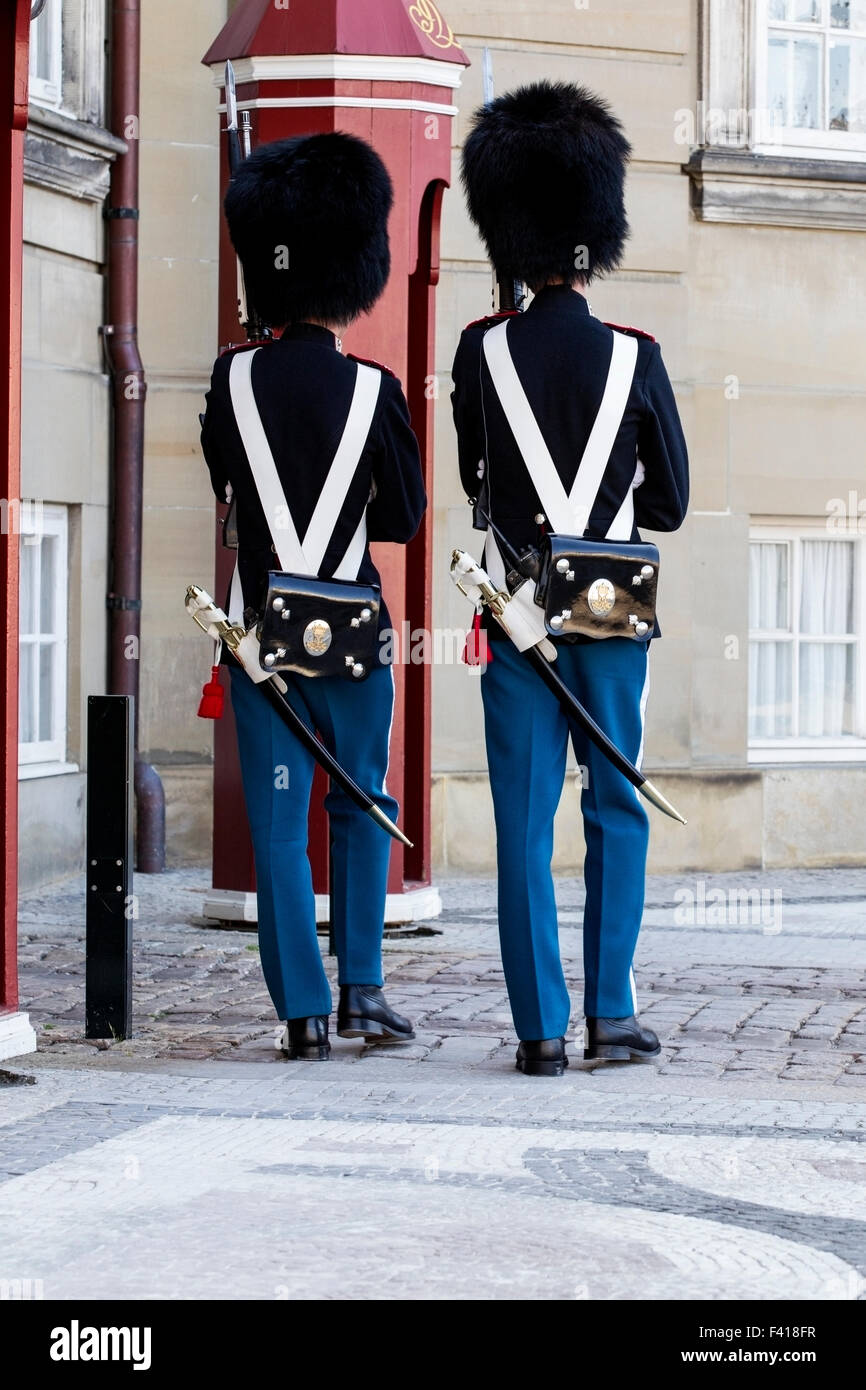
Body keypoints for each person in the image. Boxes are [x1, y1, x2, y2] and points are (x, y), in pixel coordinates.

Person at [452, 82, 689, 1077]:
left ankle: (538, 1030)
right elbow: (670, 500)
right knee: (615, 805)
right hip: (609, 608)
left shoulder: (477, 350)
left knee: (520, 818)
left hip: (512, 610)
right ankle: (612, 1013)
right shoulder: (635, 355)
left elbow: (472, 478)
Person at [201, 133, 426, 1060]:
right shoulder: (374, 390)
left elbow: (225, 479)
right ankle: (363, 989)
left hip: (260, 641)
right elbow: (405, 519)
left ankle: (301, 1012)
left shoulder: (229, 377)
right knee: (363, 804)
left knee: (280, 826)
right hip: (353, 637)